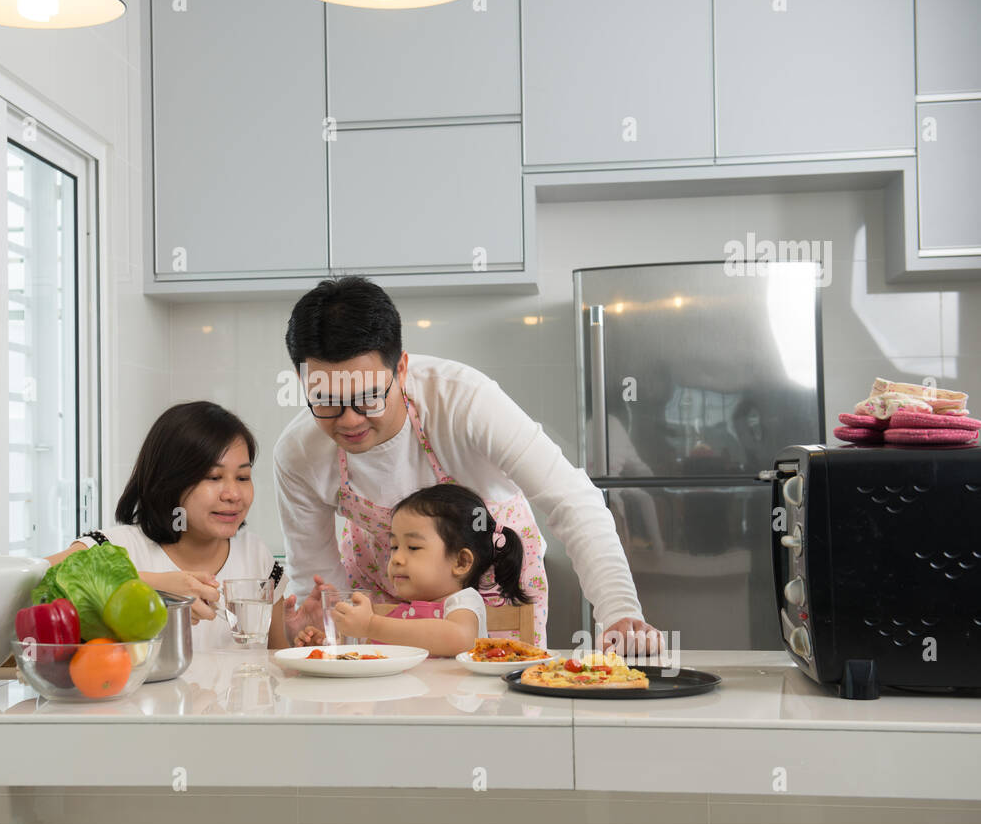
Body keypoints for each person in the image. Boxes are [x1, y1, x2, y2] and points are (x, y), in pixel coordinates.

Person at [273, 276, 661, 654]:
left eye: (369, 397)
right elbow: (319, 579)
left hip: (496, 586)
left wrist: (619, 610)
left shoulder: (465, 401)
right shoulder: (298, 453)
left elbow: (570, 500)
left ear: (401, 369)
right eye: (325, 400)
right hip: (380, 602)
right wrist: (330, 639)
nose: (350, 419)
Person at [47, 401, 293, 652]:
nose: (233, 494)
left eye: (243, 477)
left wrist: (301, 639)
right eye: (213, 477)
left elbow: (277, 664)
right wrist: (153, 585)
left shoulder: (256, 555)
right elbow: (34, 579)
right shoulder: (113, 548)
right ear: (170, 481)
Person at [299, 483, 529, 657]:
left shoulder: (464, 602)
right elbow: (369, 656)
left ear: (460, 562)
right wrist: (328, 646)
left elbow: (459, 638)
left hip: (454, 716)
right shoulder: (400, 614)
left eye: (413, 547)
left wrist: (371, 625)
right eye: (394, 547)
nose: (396, 558)